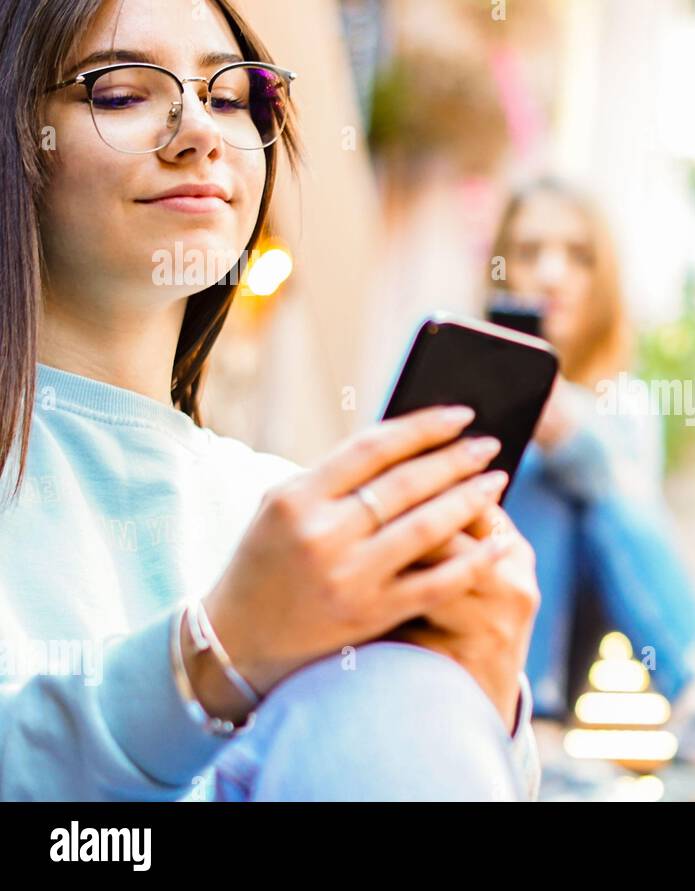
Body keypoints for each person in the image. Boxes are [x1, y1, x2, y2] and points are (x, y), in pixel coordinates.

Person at [0, 0, 539, 801]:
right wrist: (210, 660)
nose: (201, 133)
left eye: (229, 95)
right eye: (119, 92)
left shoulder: (290, 514)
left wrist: (488, 692)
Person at [490, 178, 695, 720]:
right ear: (501, 264)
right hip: (459, 623)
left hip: (574, 628)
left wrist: (570, 433)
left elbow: (630, 532)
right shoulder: (453, 360)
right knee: (548, 473)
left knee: (589, 477)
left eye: (578, 256)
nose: (551, 274)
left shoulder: (630, 406)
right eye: (528, 252)